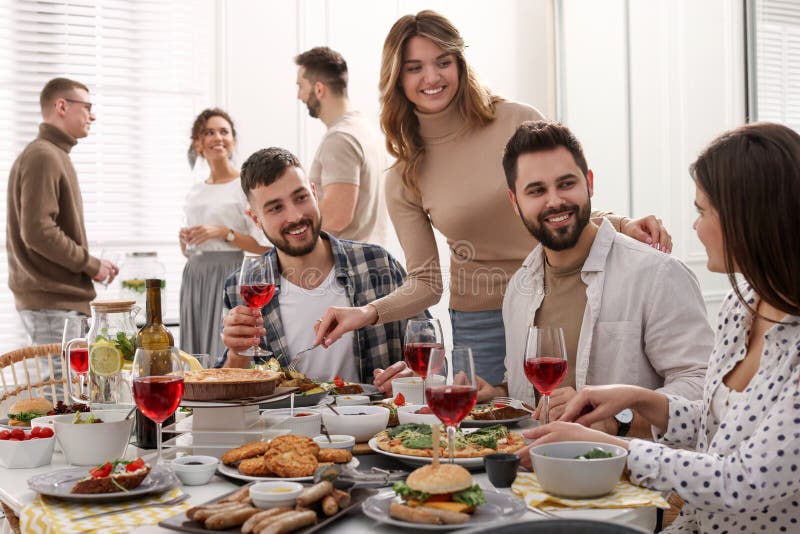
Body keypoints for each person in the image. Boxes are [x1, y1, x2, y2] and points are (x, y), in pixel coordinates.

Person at [313, 9, 673, 386]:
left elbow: (559, 206)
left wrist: (622, 225)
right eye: (414, 68)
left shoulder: (516, 120)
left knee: (564, 412)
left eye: (443, 62)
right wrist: (367, 312)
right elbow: (426, 282)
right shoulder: (404, 174)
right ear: (397, 78)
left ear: (460, 63)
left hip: (559, 297)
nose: (432, 77)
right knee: (488, 421)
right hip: (480, 321)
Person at [520, 122, 800, 533]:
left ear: (749, 218)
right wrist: (637, 398)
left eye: (702, 211)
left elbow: (743, 481)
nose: (694, 227)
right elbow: (715, 427)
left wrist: (611, 446)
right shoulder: (741, 306)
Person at [476, 120, 711, 438]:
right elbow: (530, 391)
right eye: (536, 191)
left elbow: (701, 387)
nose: (554, 201)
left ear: (589, 183)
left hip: (629, 467)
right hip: (536, 464)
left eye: (566, 184)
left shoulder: (657, 274)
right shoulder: (518, 288)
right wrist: (497, 394)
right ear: (515, 202)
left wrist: (617, 419)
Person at [220, 147, 410, 386]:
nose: (295, 216)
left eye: (301, 197)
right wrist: (237, 354)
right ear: (256, 219)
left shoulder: (377, 264)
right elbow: (226, 390)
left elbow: (429, 350)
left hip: (375, 411)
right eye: (276, 208)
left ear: (314, 193)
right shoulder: (240, 287)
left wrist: (412, 376)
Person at [6, 77, 118, 345]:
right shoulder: (43, 155)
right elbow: (38, 231)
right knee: (58, 374)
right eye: (87, 107)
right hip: (53, 305)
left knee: (65, 373)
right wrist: (92, 265)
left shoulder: (53, 154)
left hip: (56, 305)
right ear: (62, 106)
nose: (93, 116)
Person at [179, 108, 270, 363]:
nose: (217, 137)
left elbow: (264, 246)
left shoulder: (244, 186)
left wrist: (223, 233)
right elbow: (191, 246)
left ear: (233, 141)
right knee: (196, 352)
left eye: (224, 132)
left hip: (229, 273)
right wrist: (185, 241)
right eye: (209, 132)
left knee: (226, 344)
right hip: (195, 275)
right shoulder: (195, 191)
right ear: (198, 143)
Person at [295, 46, 389, 244]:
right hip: (370, 255)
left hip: (348, 260)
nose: (299, 96)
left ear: (319, 89)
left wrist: (285, 220)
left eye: (301, 86)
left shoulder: (340, 138)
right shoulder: (365, 129)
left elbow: (337, 216)